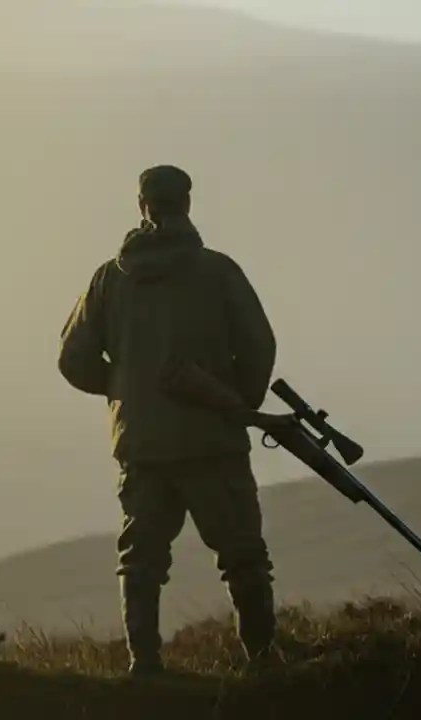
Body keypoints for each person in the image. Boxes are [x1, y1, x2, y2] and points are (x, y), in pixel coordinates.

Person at [57, 165, 279, 676]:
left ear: (142, 205)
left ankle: (145, 665)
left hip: (142, 445)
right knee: (243, 556)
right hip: (213, 442)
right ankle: (265, 664)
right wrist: (235, 402)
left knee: (140, 561)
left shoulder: (109, 280)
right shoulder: (218, 272)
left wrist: (125, 389)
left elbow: (73, 358)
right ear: (187, 203)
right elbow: (259, 345)